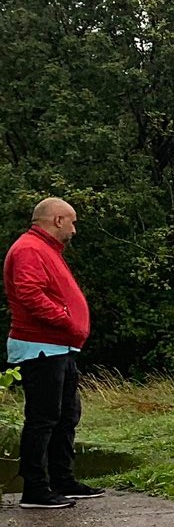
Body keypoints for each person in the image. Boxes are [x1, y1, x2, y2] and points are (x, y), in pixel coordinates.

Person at [5, 198, 99, 509]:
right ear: (57, 220)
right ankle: (35, 488)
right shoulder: (30, 249)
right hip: (42, 347)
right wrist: (65, 319)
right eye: (72, 222)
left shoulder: (46, 249)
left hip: (60, 346)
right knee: (43, 418)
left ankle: (62, 480)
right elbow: (29, 293)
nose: (74, 229)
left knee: (66, 416)